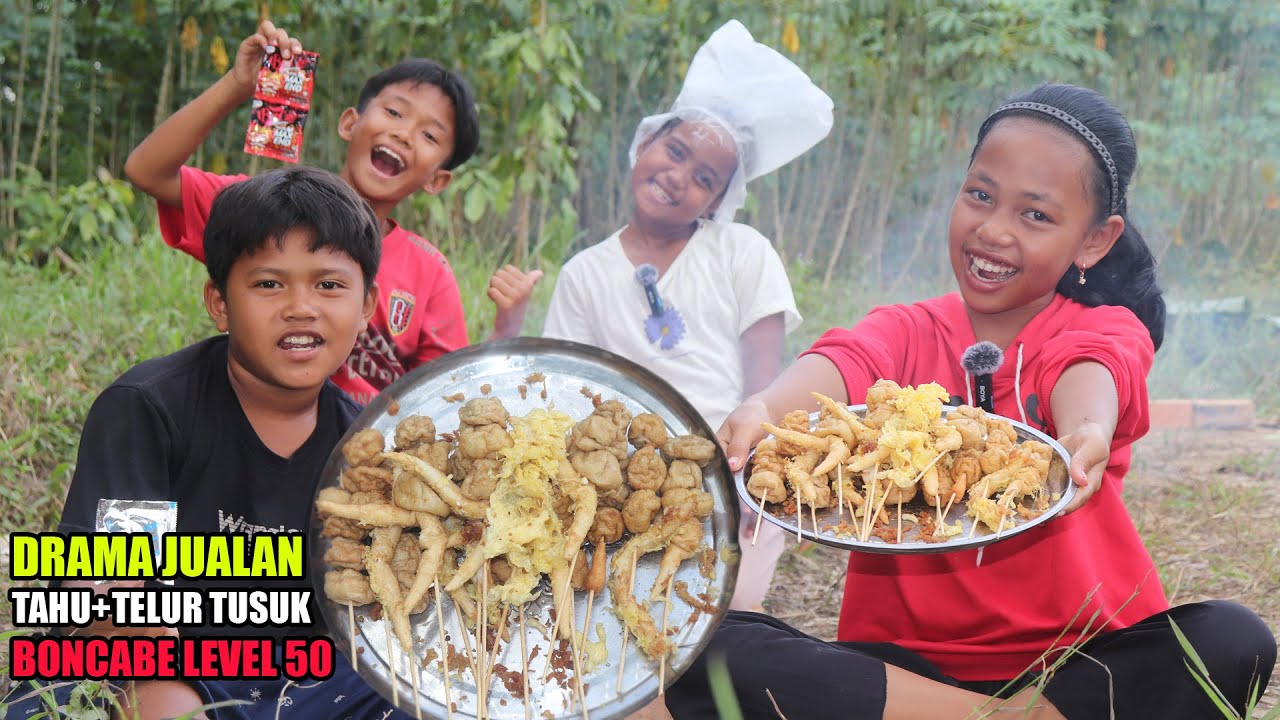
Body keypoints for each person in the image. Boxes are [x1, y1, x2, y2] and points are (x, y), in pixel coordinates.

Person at [665, 84, 1276, 719]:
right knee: (716, 645)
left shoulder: (1101, 329)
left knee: (1231, 639)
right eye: (980, 195)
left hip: (1078, 664)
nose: (993, 229)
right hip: (903, 674)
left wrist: (1088, 430)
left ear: (1095, 241)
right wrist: (765, 409)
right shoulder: (906, 330)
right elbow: (843, 364)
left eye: (1035, 215)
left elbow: (1092, 370)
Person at [7, 168, 411, 719]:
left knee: (412, 691)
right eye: (269, 284)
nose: (301, 306)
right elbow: (106, 592)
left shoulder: (367, 449)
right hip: (156, 660)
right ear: (219, 303)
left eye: (329, 285)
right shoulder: (151, 409)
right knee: (164, 698)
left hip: (296, 675)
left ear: (366, 306)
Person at [539, 20, 832, 613]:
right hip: (620, 484)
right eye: (674, 151)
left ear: (720, 200)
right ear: (645, 142)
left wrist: (753, 481)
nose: (678, 177)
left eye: (705, 178)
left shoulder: (742, 252)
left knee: (720, 621)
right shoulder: (584, 274)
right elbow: (563, 391)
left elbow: (766, 385)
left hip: (731, 474)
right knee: (611, 613)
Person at [124, 20, 541, 406]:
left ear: (438, 180)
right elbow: (147, 171)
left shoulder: (429, 273)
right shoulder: (264, 211)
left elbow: (446, 395)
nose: (403, 133)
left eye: (429, 135)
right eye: (394, 112)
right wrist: (236, 85)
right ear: (349, 124)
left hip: (361, 450)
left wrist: (505, 330)